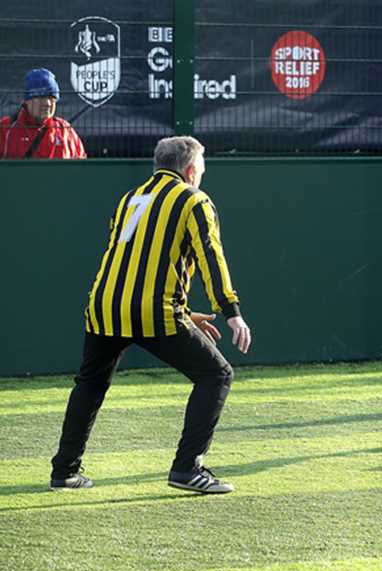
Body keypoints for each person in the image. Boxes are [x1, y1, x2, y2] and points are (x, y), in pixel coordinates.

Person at [49, 136, 252, 494]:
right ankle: (187, 468)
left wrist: (187, 312)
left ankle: (64, 470)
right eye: (201, 170)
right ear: (190, 171)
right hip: (152, 309)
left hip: (103, 304)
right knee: (217, 375)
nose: (201, 177)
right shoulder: (193, 199)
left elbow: (130, 258)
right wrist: (230, 310)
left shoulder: (130, 199)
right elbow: (210, 256)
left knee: (90, 383)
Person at [1, 68, 86, 159]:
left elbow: (81, 164)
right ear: (26, 101)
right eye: (40, 97)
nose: (47, 103)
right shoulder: (4, 129)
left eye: (51, 97)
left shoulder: (65, 130)